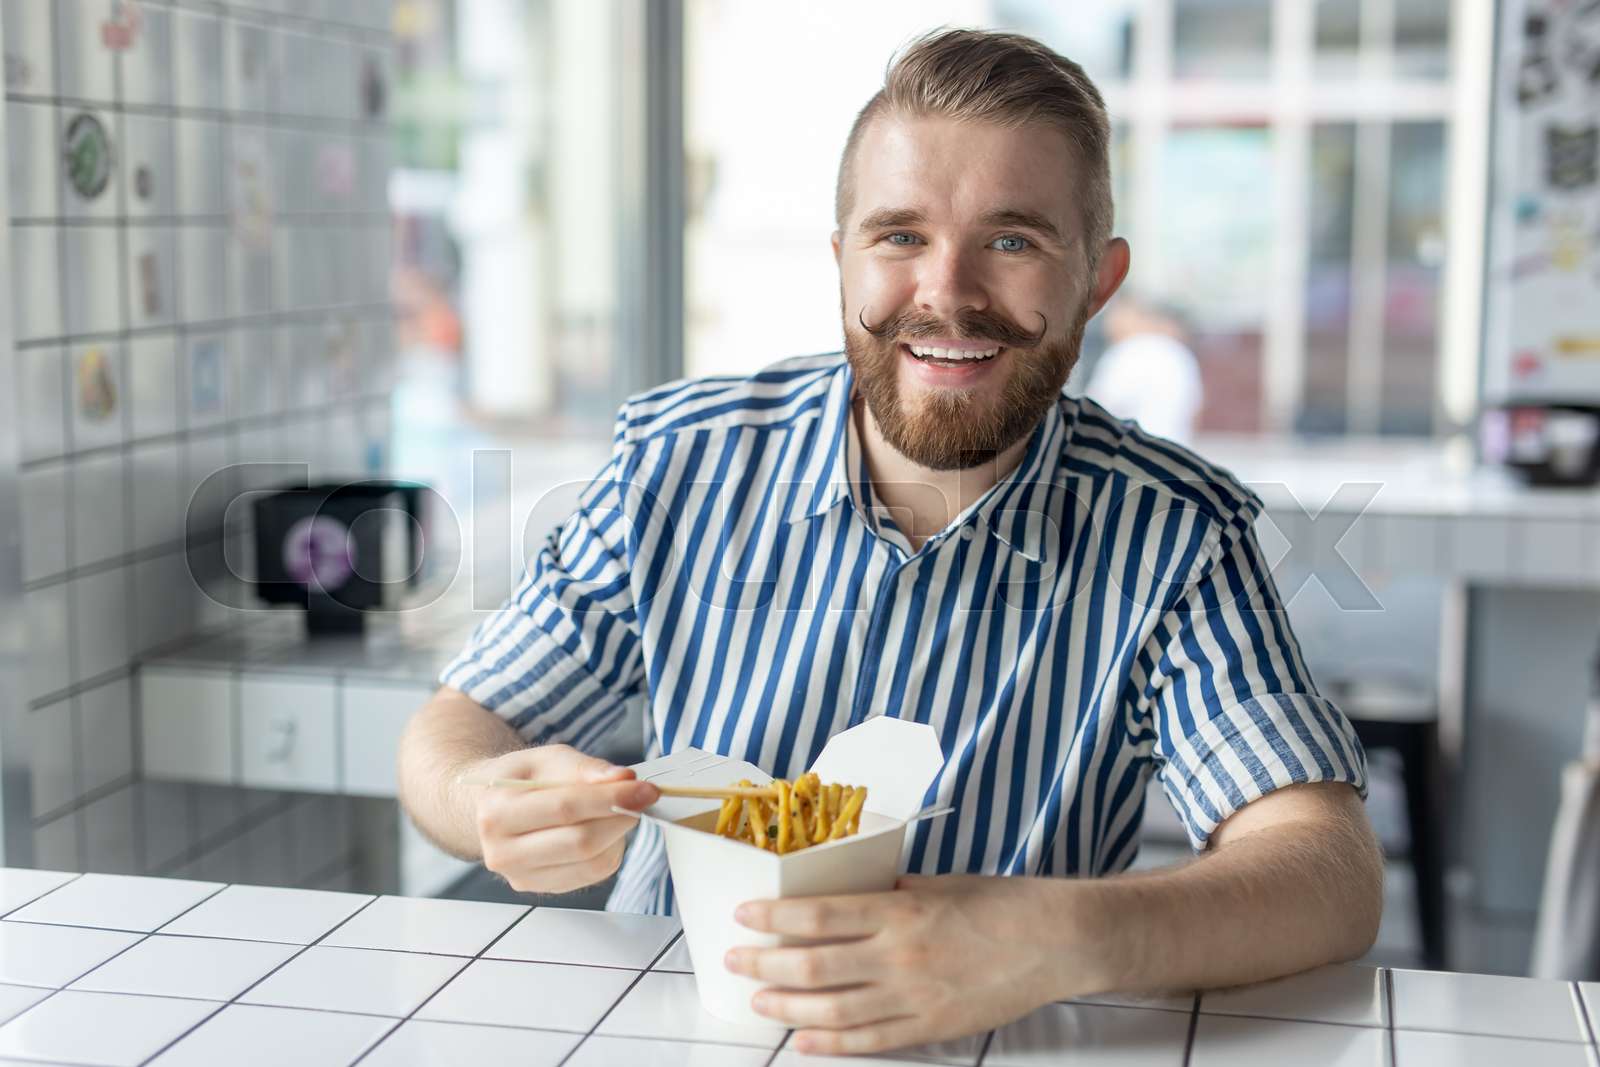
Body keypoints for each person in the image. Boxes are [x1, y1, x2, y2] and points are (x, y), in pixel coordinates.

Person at [398, 28, 1381, 1056]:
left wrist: (1064, 934)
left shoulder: (1177, 532)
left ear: (1096, 279)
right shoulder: (678, 462)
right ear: (841, 260)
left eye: (1012, 241)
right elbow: (458, 726)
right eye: (899, 236)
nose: (944, 291)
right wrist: (480, 801)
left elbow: (1328, 871)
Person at [1082, 292, 1204, 444]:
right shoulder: (1179, 353)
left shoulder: (1127, 352)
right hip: (1175, 454)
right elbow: (1195, 412)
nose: (1109, 324)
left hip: (1131, 457)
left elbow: (1095, 410)